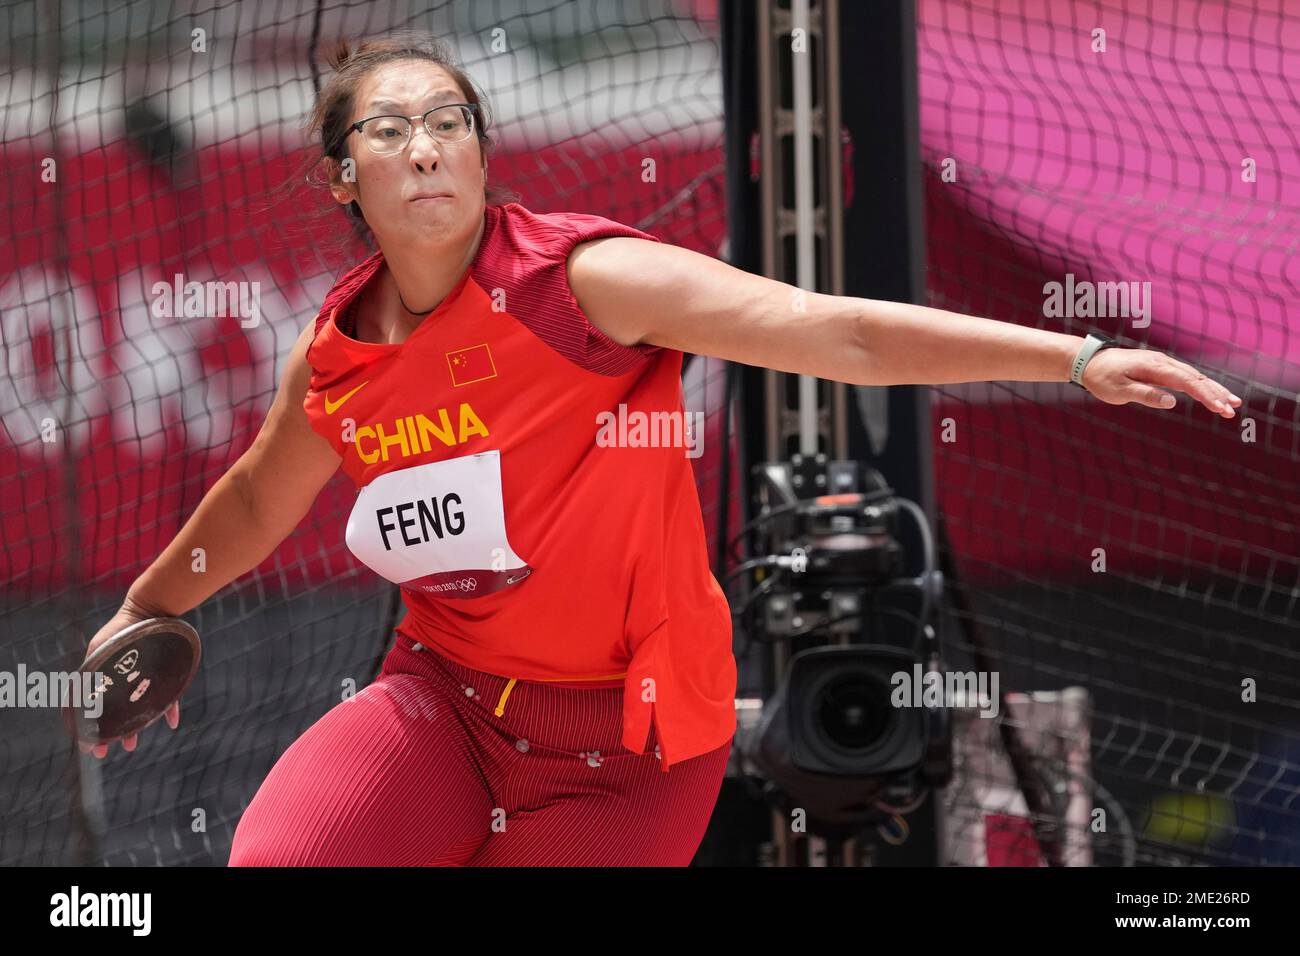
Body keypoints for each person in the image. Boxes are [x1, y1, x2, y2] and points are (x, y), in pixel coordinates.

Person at [80, 31, 1242, 866]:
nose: (427, 148)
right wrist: (150, 609)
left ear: (482, 155)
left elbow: (823, 325)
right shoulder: (334, 351)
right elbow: (254, 498)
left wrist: (1074, 358)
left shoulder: (585, 281)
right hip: (445, 701)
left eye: (451, 123)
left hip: (626, 745)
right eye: (391, 130)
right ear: (346, 175)